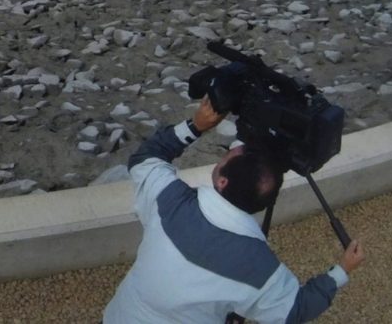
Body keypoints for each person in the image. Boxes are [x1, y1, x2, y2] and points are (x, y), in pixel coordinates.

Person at [103, 98, 365, 323]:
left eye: (228, 155)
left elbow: (145, 158)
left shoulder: (169, 201)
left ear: (222, 181)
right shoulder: (260, 268)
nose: (229, 151)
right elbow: (295, 311)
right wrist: (342, 270)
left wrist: (196, 125)